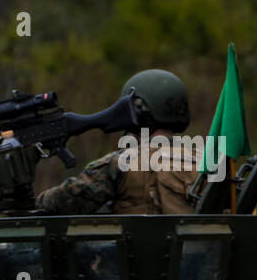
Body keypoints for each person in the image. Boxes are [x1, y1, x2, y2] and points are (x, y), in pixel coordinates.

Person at [37, 69, 199, 215]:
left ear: (138, 111)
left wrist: (38, 197)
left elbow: (63, 201)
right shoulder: (205, 160)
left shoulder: (120, 163)